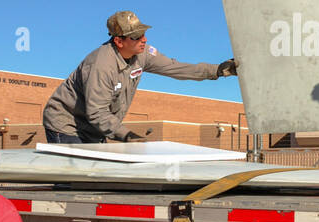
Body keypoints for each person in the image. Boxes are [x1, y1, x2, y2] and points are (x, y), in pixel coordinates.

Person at [42, 11, 238, 145]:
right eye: (136, 36)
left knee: (93, 180)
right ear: (119, 41)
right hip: (67, 125)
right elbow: (97, 113)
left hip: (95, 127)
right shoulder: (101, 65)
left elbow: (175, 68)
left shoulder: (142, 55)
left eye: (143, 33)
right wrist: (125, 135)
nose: (143, 39)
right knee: (75, 182)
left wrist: (219, 70)